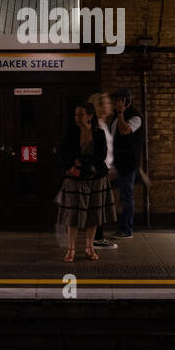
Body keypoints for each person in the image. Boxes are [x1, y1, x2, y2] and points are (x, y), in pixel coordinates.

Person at [55, 102, 114, 262]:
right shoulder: (71, 132)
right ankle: (71, 249)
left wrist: (81, 162)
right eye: (76, 114)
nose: (77, 118)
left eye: (80, 114)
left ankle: (89, 248)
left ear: (89, 115)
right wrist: (69, 168)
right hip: (74, 178)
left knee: (93, 214)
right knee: (72, 215)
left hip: (95, 178)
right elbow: (63, 153)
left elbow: (100, 156)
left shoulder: (99, 133)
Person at [108, 87, 144, 240]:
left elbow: (125, 131)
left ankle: (127, 230)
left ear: (125, 101)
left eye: (118, 101)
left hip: (128, 164)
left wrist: (121, 112)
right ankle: (121, 227)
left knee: (126, 196)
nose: (115, 103)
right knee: (121, 196)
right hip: (118, 162)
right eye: (114, 101)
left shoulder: (135, 117)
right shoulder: (116, 117)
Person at [88, 92, 118, 251]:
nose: (109, 105)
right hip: (99, 173)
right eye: (106, 103)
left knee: (100, 206)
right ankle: (96, 239)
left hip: (104, 172)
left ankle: (97, 238)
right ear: (98, 106)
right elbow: (99, 152)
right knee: (97, 206)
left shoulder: (103, 124)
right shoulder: (98, 126)